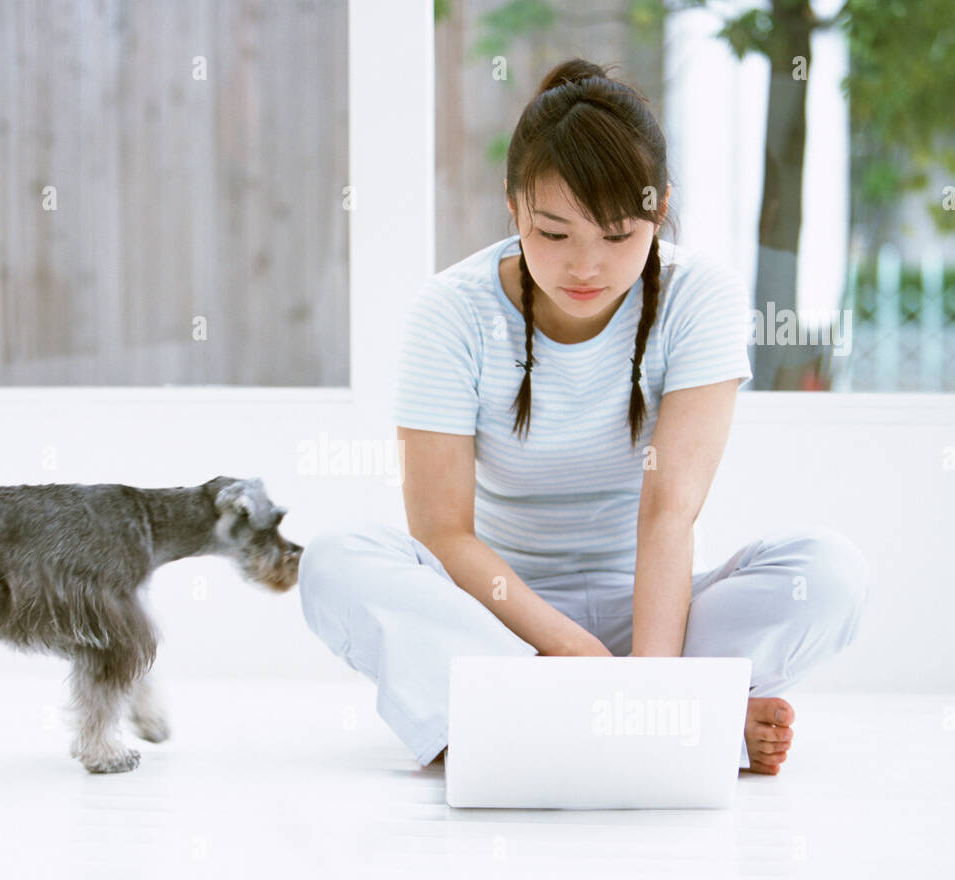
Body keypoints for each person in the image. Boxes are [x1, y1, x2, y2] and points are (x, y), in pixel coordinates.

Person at [297, 58, 869, 776]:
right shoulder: (450, 312)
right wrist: (572, 653)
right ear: (512, 209)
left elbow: (669, 512)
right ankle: (689, 720)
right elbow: (442, 532)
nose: (585, 268)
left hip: (659, 614)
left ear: (660, 212)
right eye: (555, 234)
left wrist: (649, 690)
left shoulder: (703, 298)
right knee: (334, 563)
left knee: (830, 573)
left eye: (619, 235)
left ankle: (537, 724)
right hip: (502, 620)